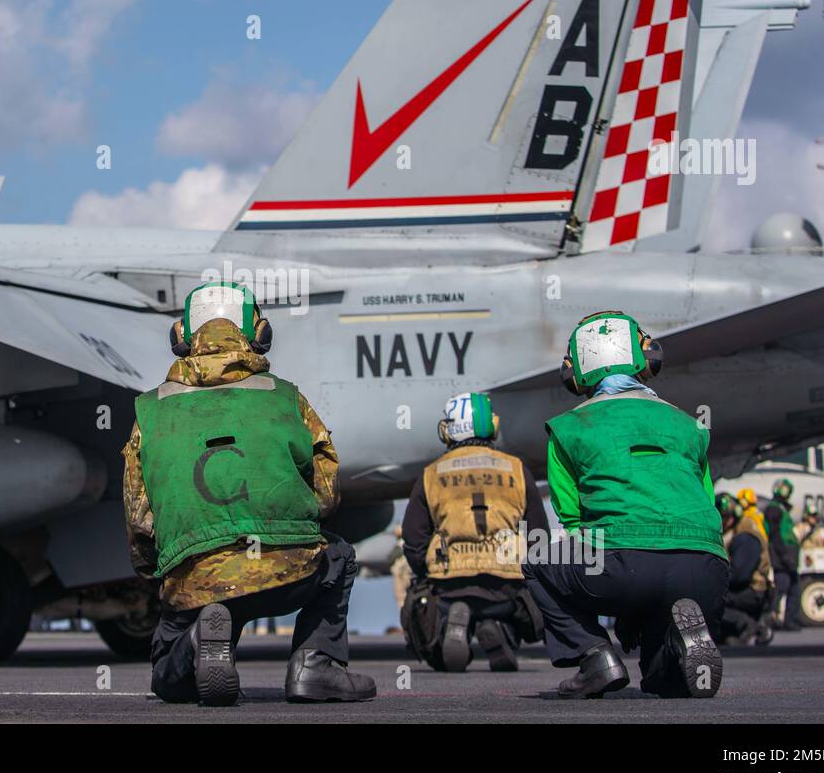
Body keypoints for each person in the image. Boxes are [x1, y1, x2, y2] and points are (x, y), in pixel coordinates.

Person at [121, 282, 375, 706]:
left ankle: (198, 638)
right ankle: (316, 667)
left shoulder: (149, 410)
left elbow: (138, 519)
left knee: (168, 679)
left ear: (181, 337)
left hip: (196, 580)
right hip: (288, 573)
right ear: (259, 334)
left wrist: (158, 574)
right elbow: (327, 494)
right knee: (339, 557)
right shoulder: (287, 398)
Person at [523, 310, 727, 699]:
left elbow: (575, 522)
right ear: (647, 358)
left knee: (536, 561)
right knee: (660, 680)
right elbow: (705, 503)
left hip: (624, 563)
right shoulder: (689, 425)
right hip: (704, 568)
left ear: (575, 373)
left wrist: (622, 600)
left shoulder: (568, 428)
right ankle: (684, 641)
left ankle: (595, 657)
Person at [400, 392, 546, 672]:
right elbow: (539, 534)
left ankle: (449, 633)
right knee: (529, 597)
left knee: (433, 638)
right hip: (507, 588)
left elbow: (413, 537)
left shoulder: (432, 473)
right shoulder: (517, 470)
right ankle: (502, 629)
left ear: (451, 429)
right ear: (491, 424)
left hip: (448, 587)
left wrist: (426, 573)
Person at [717, 494, 773, 646]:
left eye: (724, 517)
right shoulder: (741, 530)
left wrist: (714, 581)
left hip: (753, 590)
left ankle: (747, 624)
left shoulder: (745, 537)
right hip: (754, 588)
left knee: (710, 598)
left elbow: (739, 575)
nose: (722, 522)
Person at [764, 478, 802, 631]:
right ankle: (770, 619)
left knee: (794, 589)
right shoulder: (774, 509)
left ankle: (790, 620)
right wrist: (784, 555)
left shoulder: (782, 508)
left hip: (788, 556)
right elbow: (775, 535)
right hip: (781, 557)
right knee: (780, 589)